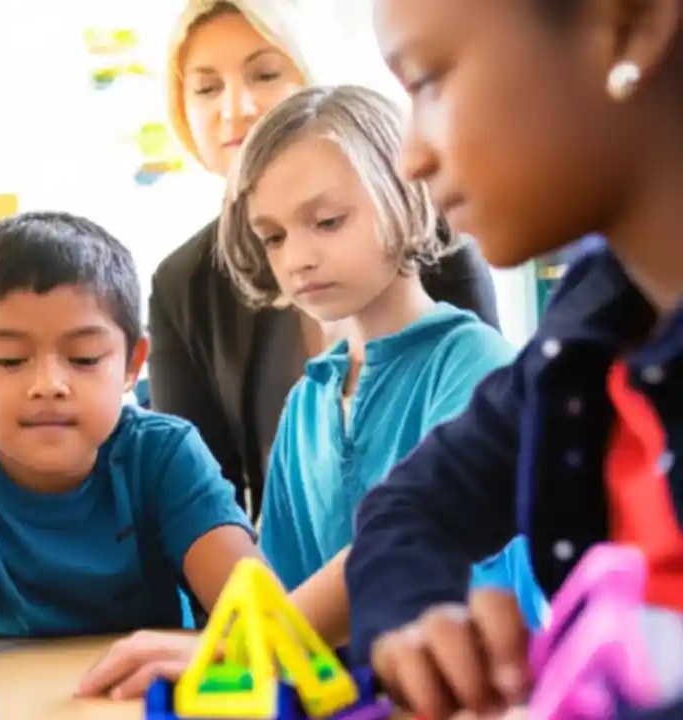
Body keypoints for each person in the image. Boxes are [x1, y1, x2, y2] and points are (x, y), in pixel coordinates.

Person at [75, 85, 545, 703]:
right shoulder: (307, 402)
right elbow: (281, 592)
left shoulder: (476, 366)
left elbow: (421, 552)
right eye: (273, 237)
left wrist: (240, 647)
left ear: (405, 195)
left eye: (327, 222)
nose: (297, 258)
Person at [344, 0, 683, 718]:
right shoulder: (591, 331)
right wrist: (416, 628)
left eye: (429, 79)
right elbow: (410, 508)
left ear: (629, 23)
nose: (411, 156)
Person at [0, 212, 260, 719]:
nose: (48, 383)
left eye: (85, 358)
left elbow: (250, 595)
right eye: (9, 360)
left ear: (132, 365)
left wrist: (237, 641)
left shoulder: (165, 456)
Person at [149, 0, 500, 514]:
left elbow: (451, 511)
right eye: (206, 87)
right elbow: (206, 506)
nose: (235, 109)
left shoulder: (460, 333)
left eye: (264, 73)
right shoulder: (304, 408)